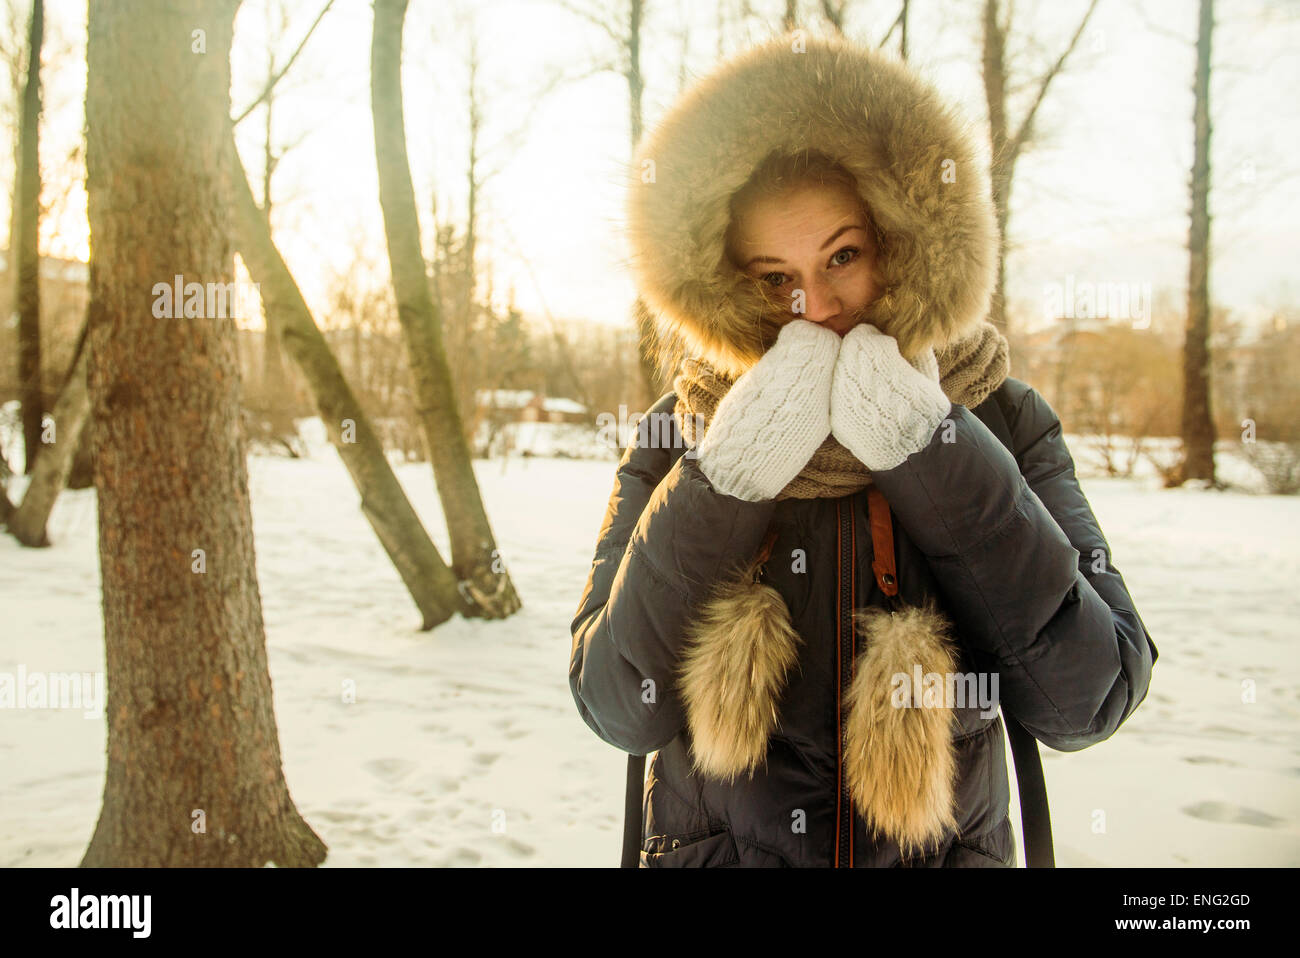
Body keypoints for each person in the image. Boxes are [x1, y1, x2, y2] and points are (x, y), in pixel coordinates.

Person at [568, 32, 1157, 867]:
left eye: (842, 254)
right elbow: (617, 705)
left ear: (903, 240)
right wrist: (727, 477)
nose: (815, 306)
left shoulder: (1001, 416)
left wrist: (931, 447)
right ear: (726, 282)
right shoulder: (686, 429)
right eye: (776, 278)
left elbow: (1088, 698)